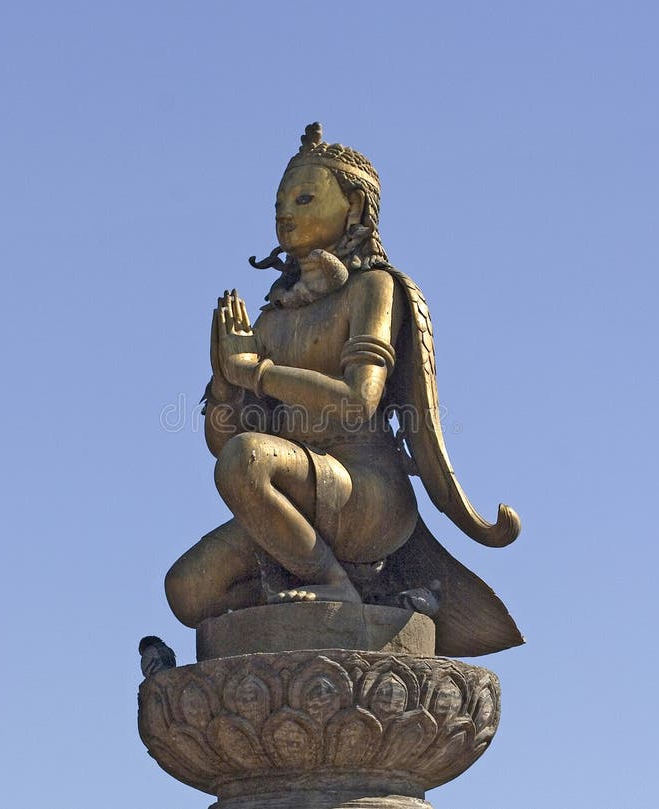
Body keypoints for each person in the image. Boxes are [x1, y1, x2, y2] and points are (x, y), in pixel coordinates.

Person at [165, 124, 522, 656]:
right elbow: (227, 445)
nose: (285, 214)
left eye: (304, 198)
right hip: (293, 494)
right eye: (279, 203)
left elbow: (358, 402)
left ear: (354, 206)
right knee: (187, 591)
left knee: (248, 460)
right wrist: (224, 381)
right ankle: (314, 580)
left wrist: (256, 373)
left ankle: (333, 583)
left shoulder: (373, 288)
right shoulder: (271, 317)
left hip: (365, 493)